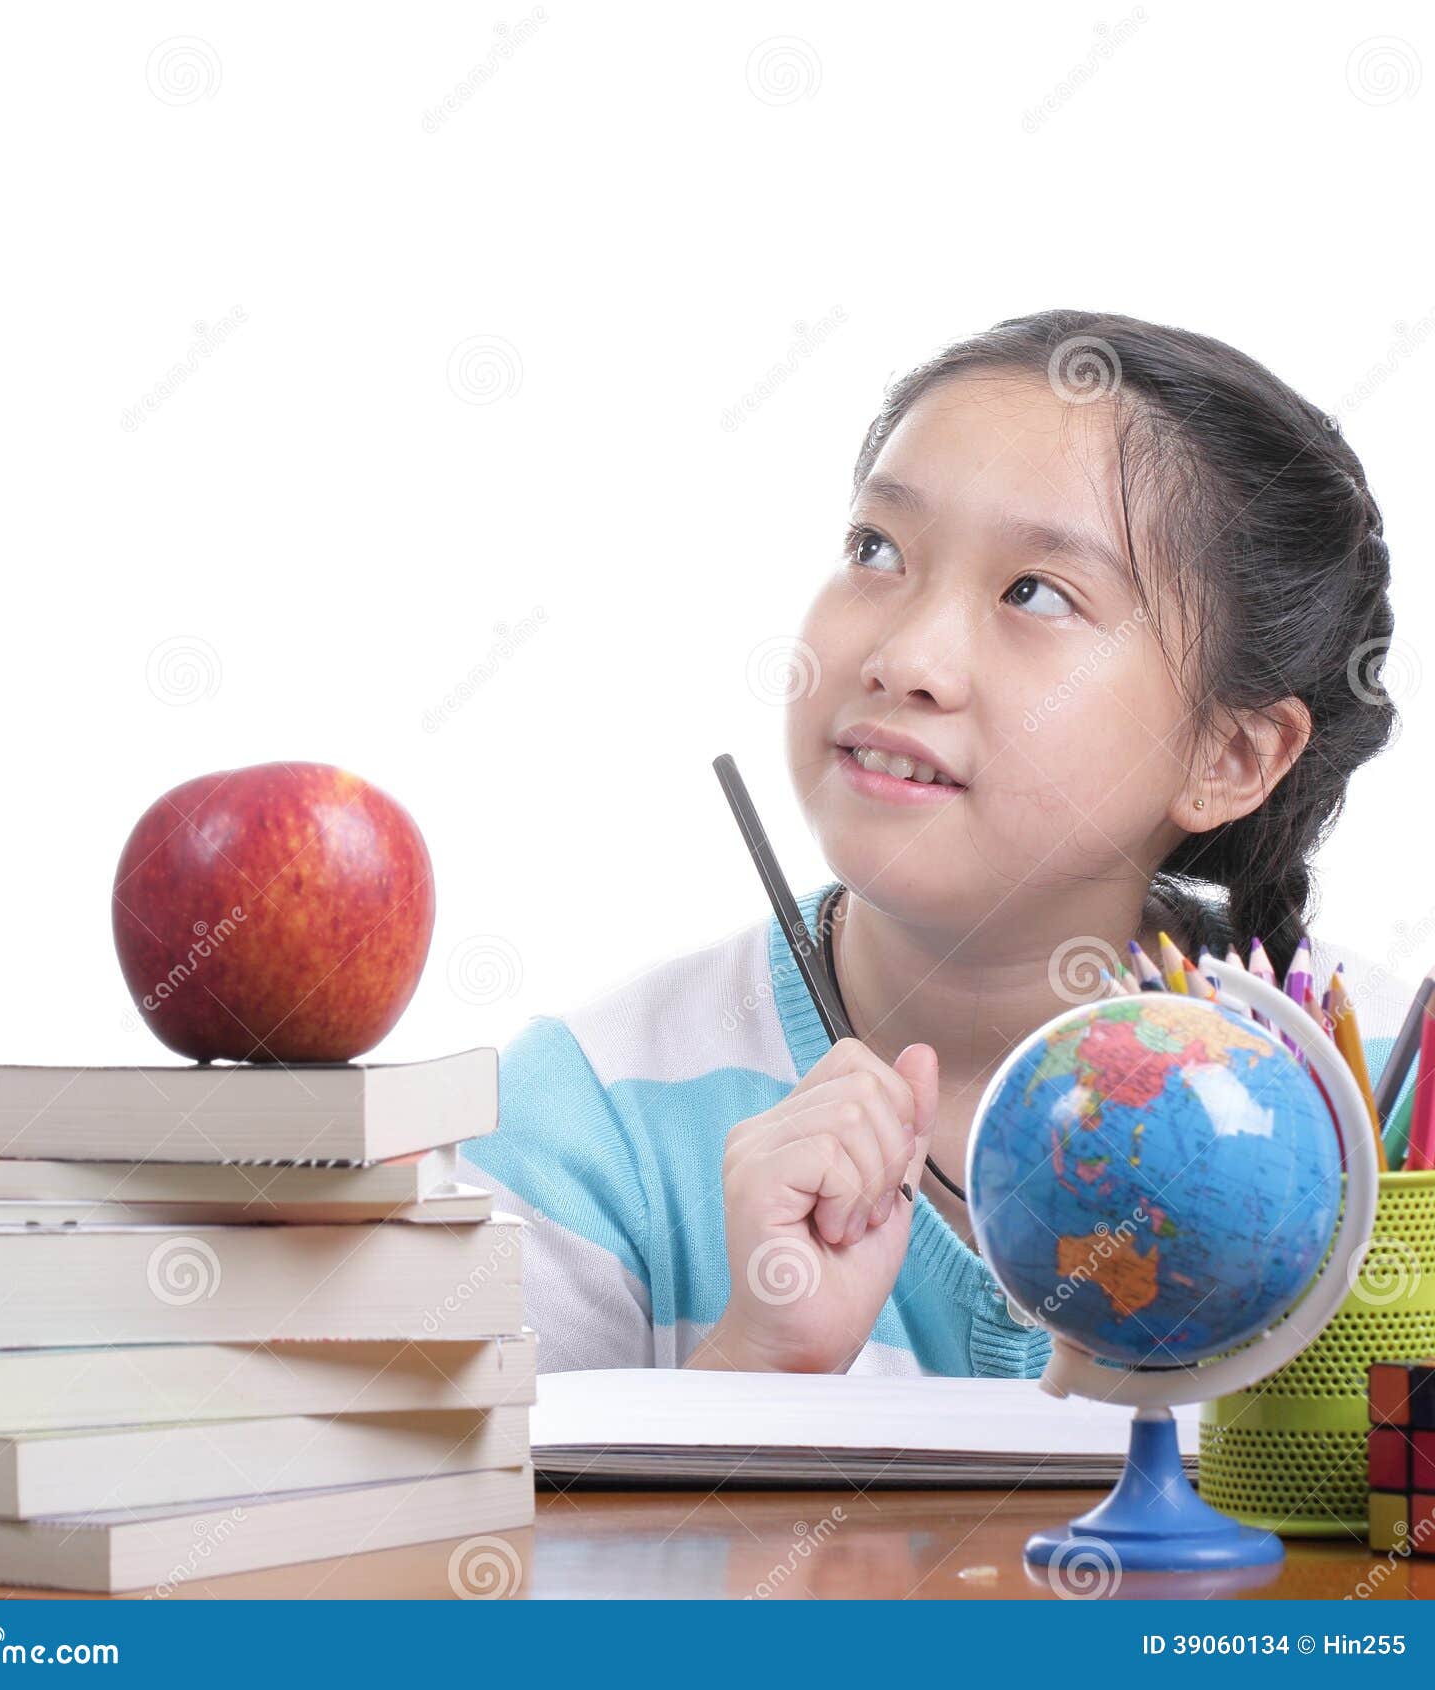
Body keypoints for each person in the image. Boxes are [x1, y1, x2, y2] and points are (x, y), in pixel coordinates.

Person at [461, 308, 1410, 1377]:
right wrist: (760, 1359)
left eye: (1035, 593)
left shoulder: (1385, 1101)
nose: (905, 654)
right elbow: (473, 1534)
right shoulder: (583, 1123)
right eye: (876, 549)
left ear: (1231, 754)